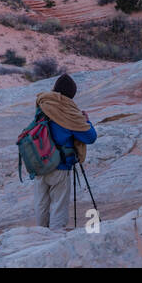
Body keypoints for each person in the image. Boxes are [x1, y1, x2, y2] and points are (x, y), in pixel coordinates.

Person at [34, 73, 97, 230]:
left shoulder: (43, 105)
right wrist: (85, 120)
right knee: (59, 205)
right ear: (71, 94)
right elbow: (90, 137)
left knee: (41, 204)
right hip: (59, 166)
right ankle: (54, 238)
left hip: (39, 163)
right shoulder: (68, 112)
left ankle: (40, 235)